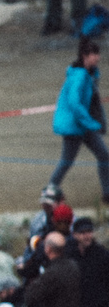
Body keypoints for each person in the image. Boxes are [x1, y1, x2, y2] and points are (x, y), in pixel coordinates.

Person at [49, 39, 108, 202]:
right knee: (66, 162)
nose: (98, 57)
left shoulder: (87, 74)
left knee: (104, 156)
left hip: (82, 125)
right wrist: (91, 123)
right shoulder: (80, 76)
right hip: (75, 127)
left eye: (98, 53)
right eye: (94, 54)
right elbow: (75, 103)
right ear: (85, 56)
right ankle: (49, 191)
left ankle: (107, 193)